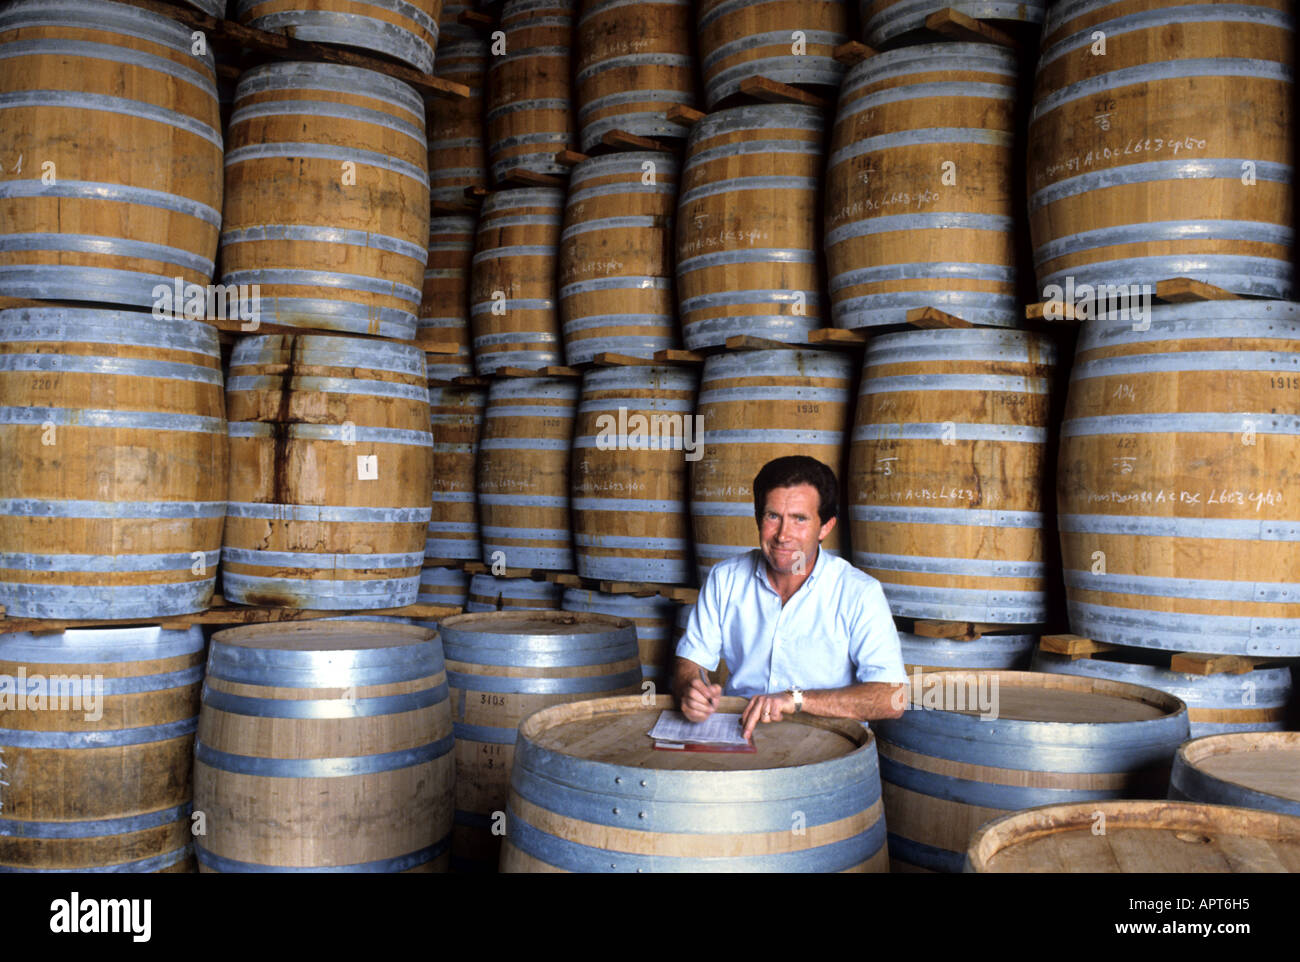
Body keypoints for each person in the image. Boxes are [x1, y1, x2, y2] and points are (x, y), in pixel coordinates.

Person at [673, 455, 907, 738]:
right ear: (759, 518)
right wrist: (691, 689)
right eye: (773, 516)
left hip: (824, 746)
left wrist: (796, 700)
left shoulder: (859, 593)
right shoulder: (725, 578)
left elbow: (892, 698)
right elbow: (691, 662)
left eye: (799, 519)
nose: (783, 535)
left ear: (825, 527)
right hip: (740, 735)